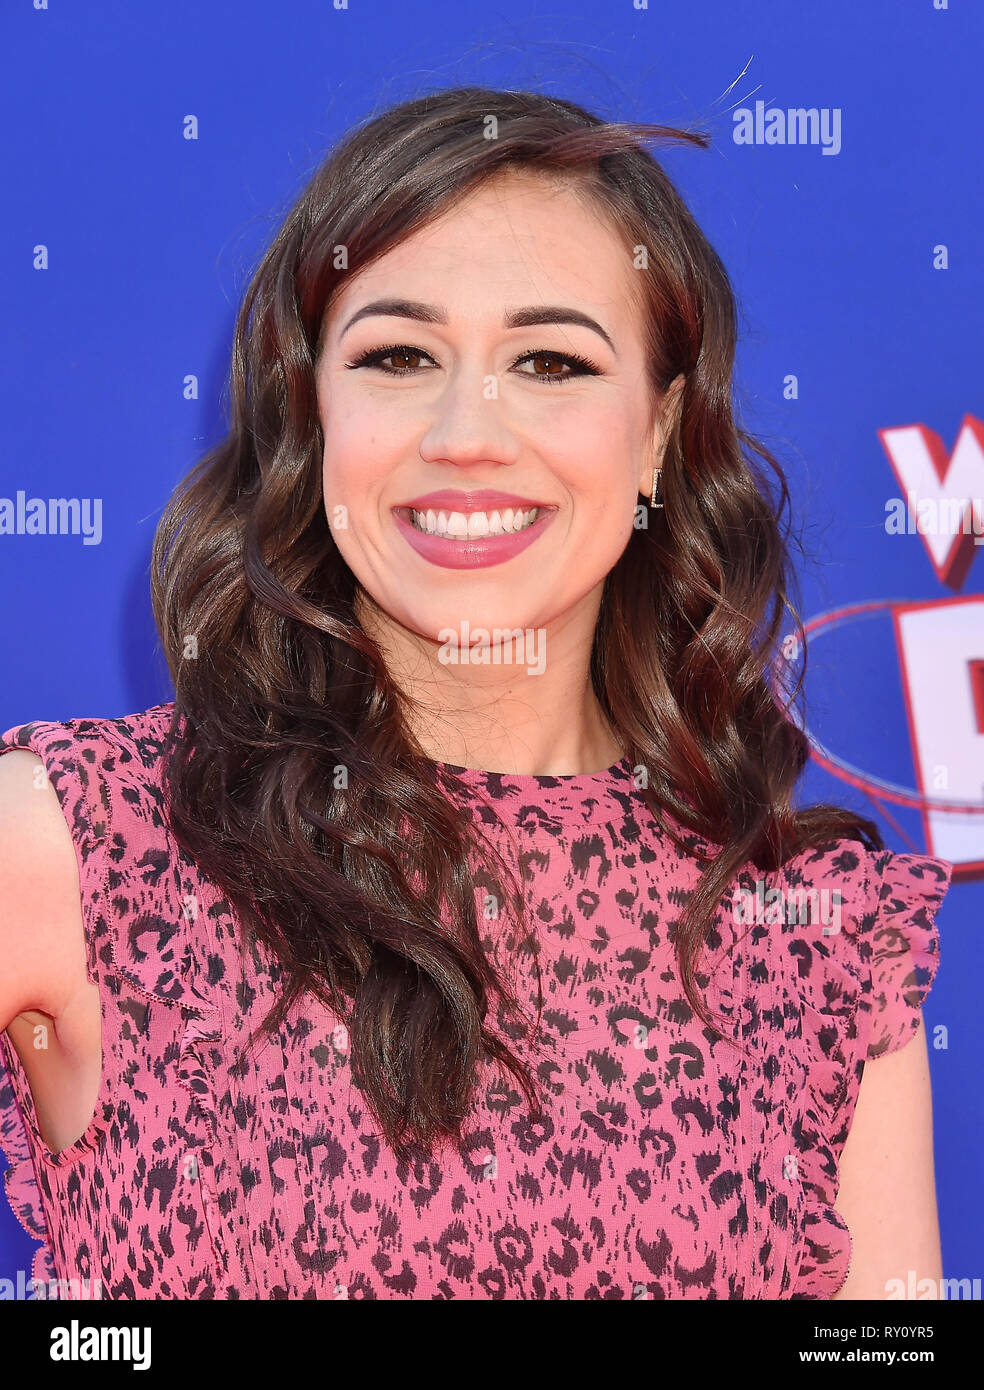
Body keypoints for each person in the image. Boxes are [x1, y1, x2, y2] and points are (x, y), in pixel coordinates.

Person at [0, 86, 952, 1301]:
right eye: (398, 356)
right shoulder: (84, 842)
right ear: (311, 410)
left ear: (657, 432)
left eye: (550, 361)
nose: (467, 432)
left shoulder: (813, 930)